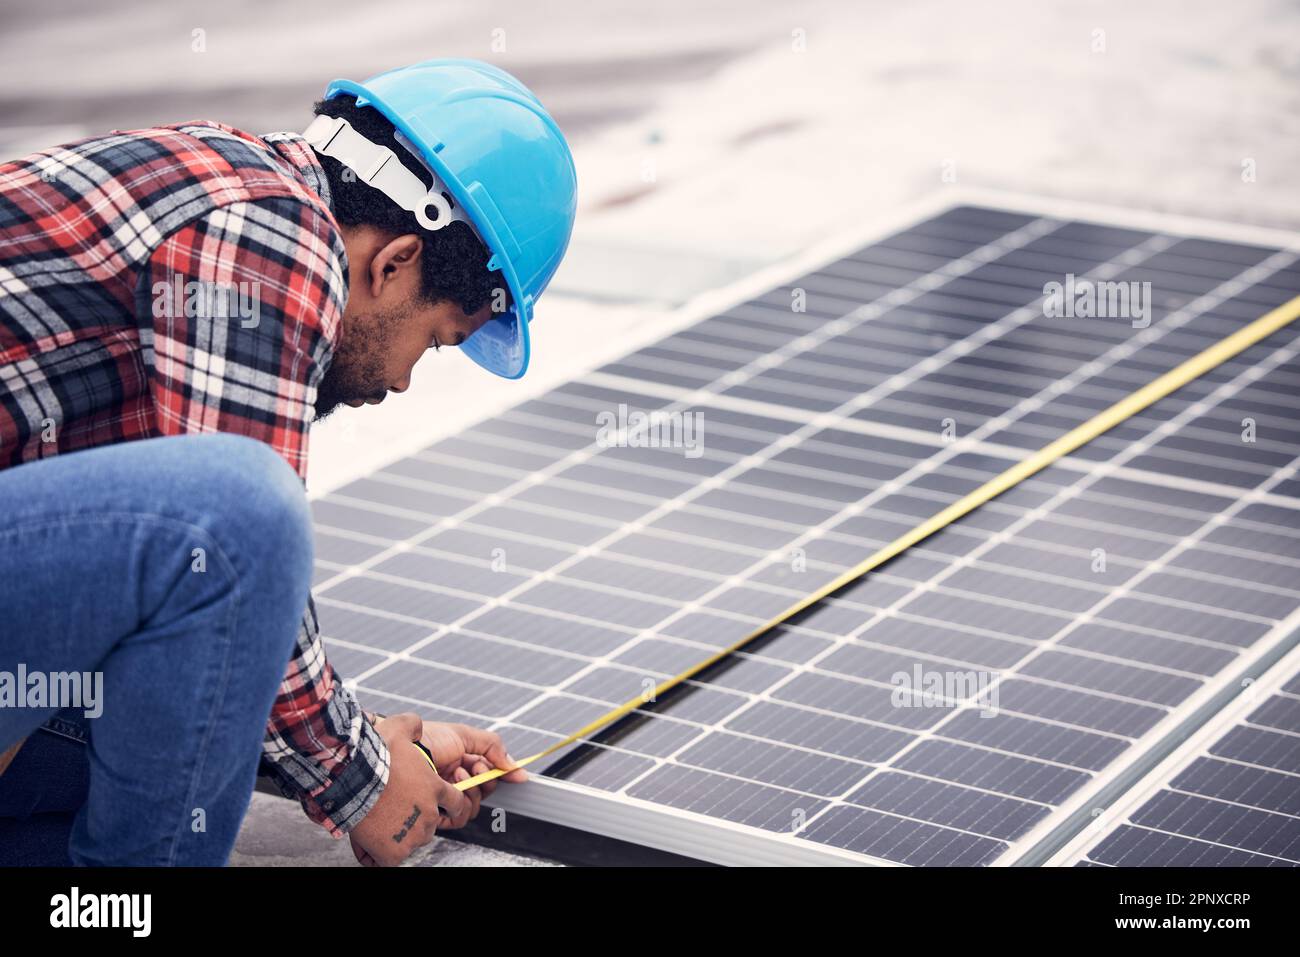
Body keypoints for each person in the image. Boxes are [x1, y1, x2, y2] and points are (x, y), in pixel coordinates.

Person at [0, 58, 578, 866]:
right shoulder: (270, 231)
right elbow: (228, 548)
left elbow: (186, 613)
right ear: (395, 263)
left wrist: (361, 740)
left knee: (126, 750)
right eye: (437, 339)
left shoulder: (232, 188)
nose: (406, 379)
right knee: (239, 513)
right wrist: (364, 781)